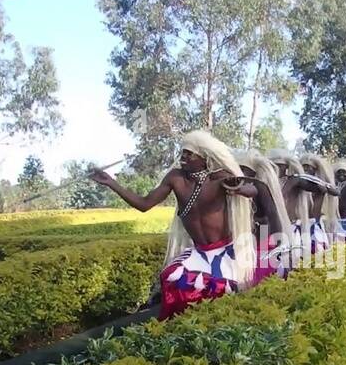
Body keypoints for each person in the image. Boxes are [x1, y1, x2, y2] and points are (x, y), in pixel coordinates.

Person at [89, 130, 257, 320]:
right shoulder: (175, 178)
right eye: (182, 152)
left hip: (226, 253)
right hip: (199, 252)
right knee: (172, 278)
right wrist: (111, 183)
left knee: (222, 292)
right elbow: (144, 205)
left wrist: (239, 188)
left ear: (204, 158)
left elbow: (252, 190)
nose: (183, 157)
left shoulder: (219, 177)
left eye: (189, 153)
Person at [235, 149, 296, 283]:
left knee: (259, 280)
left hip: (263, 244)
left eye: (244, 169)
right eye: (239, 169)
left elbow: (273, 215)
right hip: (245, 243)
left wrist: (279, 245)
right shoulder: (235, 186)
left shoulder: (259, 186)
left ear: (253, 172)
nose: (240, 172)